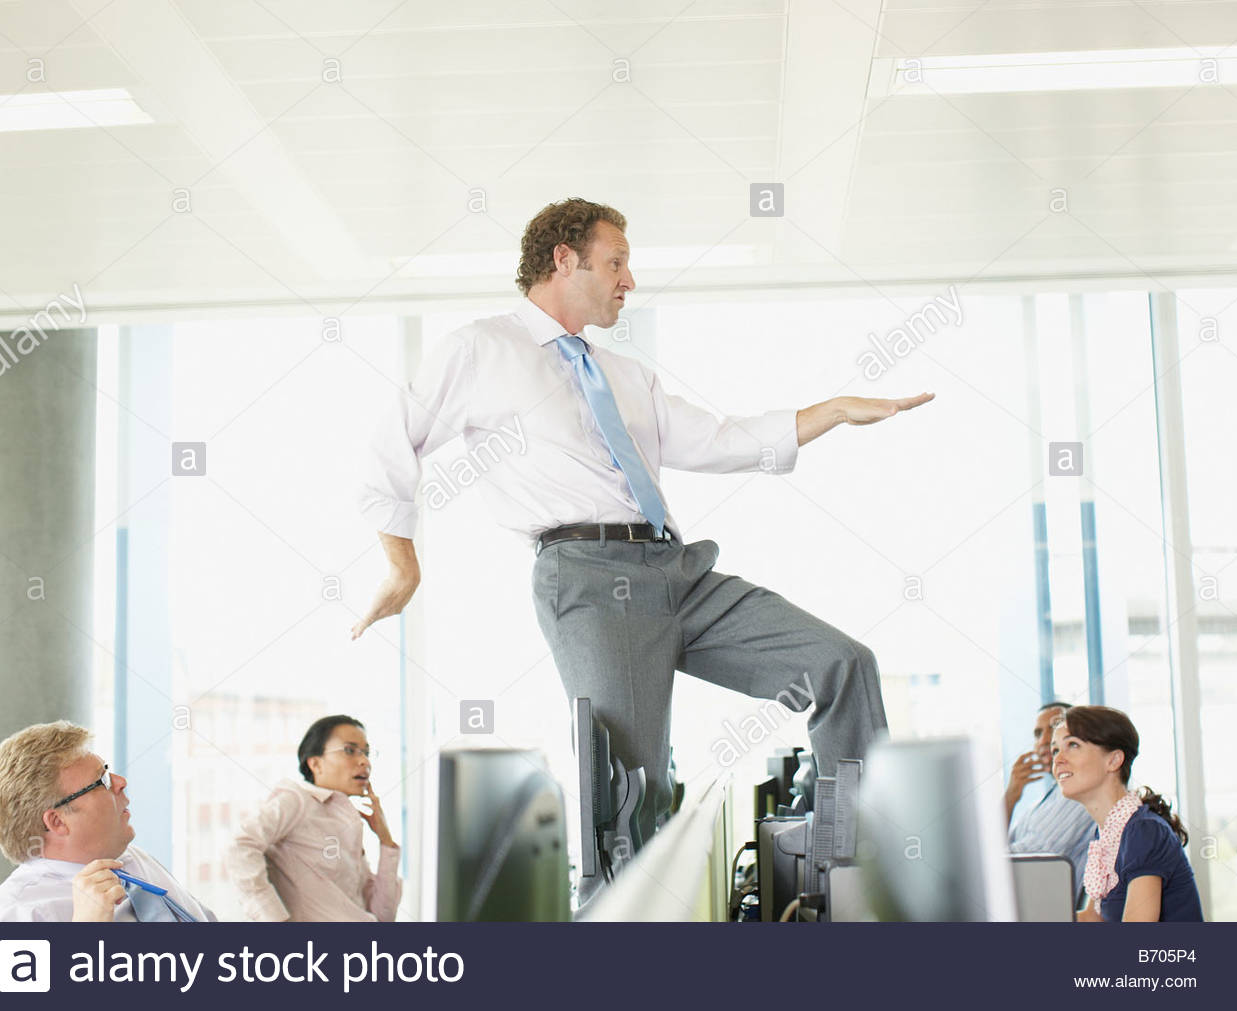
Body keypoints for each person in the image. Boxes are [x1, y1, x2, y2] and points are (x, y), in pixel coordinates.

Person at [352, 198, 933, 898]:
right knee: (632, 789)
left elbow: (723, 440)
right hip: (588, 577)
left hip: (677, 571)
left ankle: (852, 875)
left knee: (841, 664)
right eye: (616, 263)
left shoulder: (626, 375)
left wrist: (833, 410)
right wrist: (401, 563)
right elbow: (392, 442)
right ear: (564, 259)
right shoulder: (482, 349)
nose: (628, 281)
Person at [0, 720, 213, 922]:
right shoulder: (11, 916)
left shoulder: (134, 860)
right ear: (57, 821)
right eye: (102, 780)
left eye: (108, 771)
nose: (120, 782)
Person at [224, 715, 402, 921]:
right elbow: (240, 846)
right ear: (315, 764)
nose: (365, 761)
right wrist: (276, 920)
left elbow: (383, 915)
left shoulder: (348, 820)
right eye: (349, 750)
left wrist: (385, 840)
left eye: (366, 753)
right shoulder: (296, 800)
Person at [1050, 705, 1203, 922]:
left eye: (1073, 745)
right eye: (1055, 750)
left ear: (1113, 760)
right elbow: (1094, 918)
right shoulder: (1108, 832)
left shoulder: (1144, 830)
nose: (1057, 760)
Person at [1005, 701, 1097, 886]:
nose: (1043, 741)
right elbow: (999, 843)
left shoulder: (1079, 793)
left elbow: (1026, 857)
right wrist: (1011, 795)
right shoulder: (1047, 799)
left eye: (1054, 729)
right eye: (1038, 734)